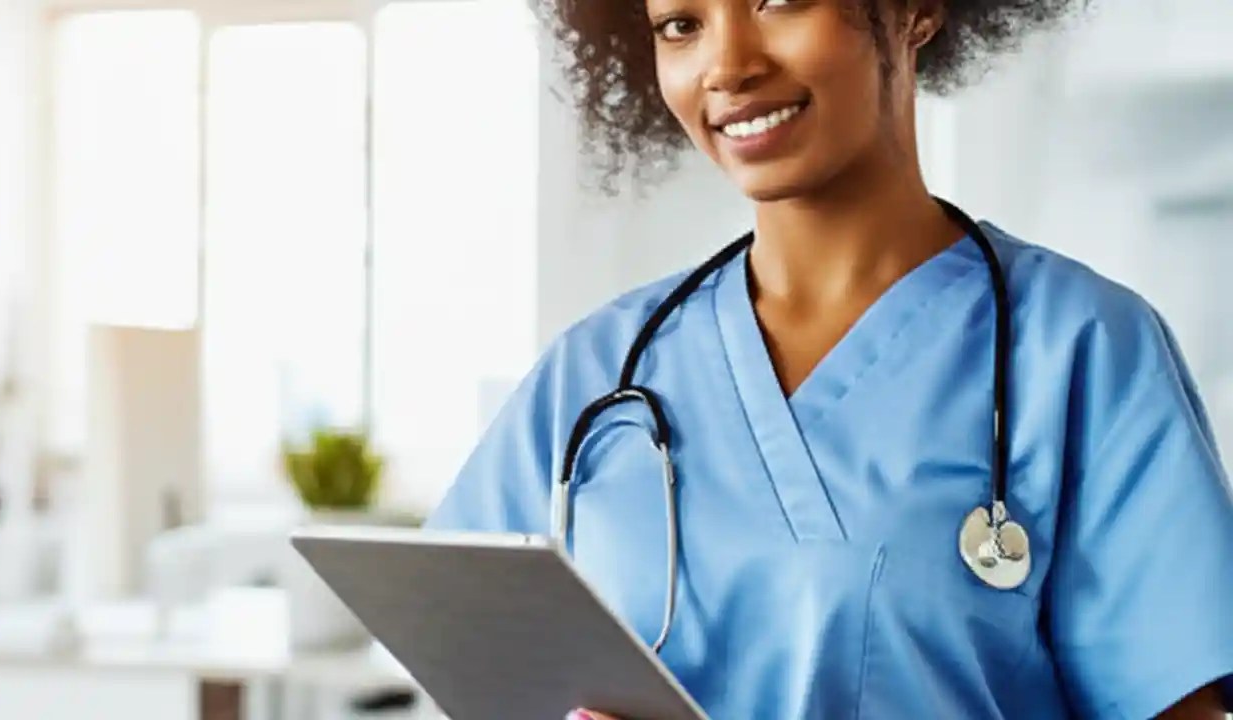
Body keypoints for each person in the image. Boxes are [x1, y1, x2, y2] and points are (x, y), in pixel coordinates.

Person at [425, 0, 1233, 717]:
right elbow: (467, 652)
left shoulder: (1082, 349)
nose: (730, 64)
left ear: (917, 9)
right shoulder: (599, 368)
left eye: (780, 2)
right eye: (681, 24)